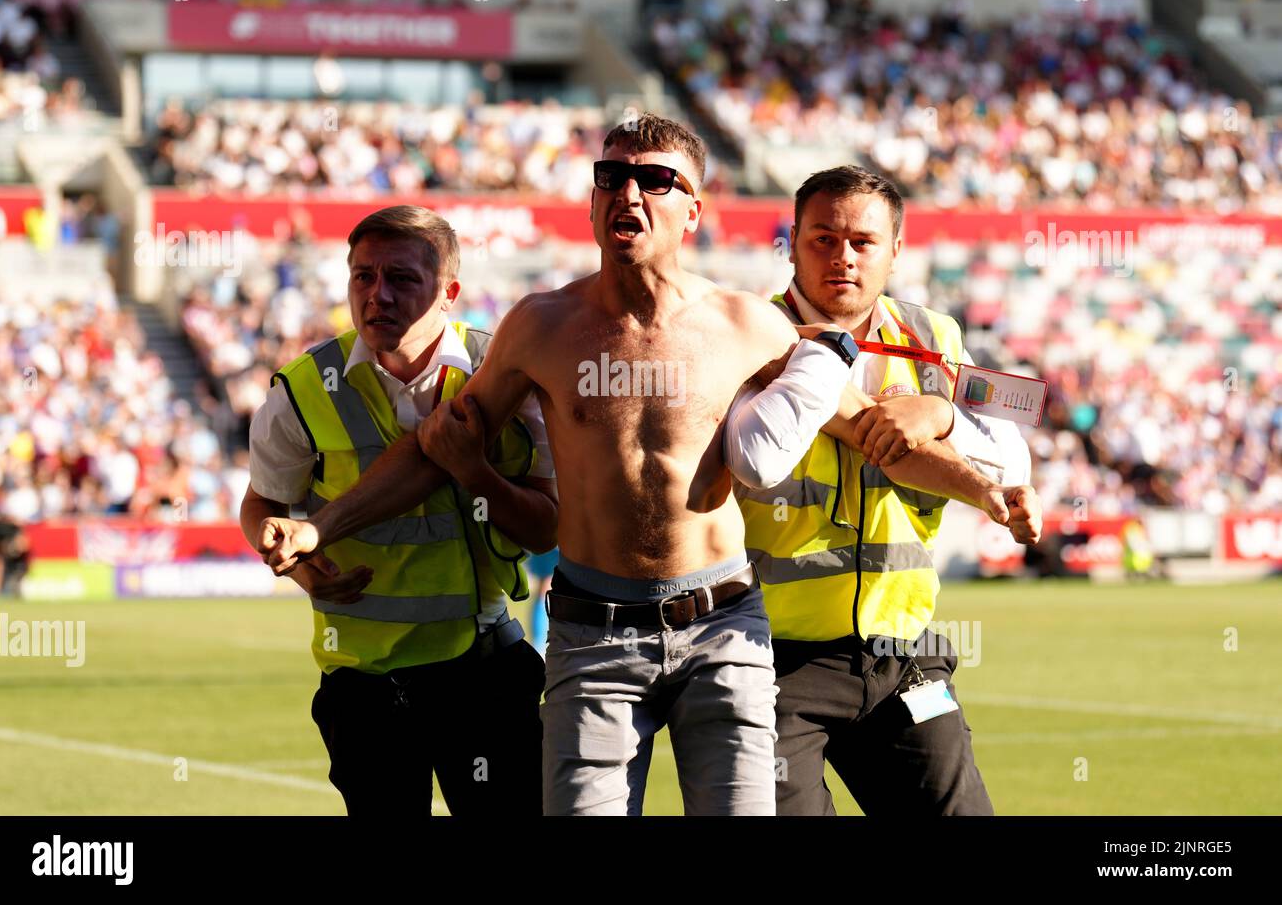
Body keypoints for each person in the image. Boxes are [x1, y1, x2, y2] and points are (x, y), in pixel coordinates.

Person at [257, 115, 1034, 816]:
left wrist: (987, 488)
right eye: (611, 177)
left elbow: (872, 432)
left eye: (655, 180)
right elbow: (433, 450)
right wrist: (319, 528)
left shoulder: (745, 324)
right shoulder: (539, 325)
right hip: (594, 634)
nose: (628, 191)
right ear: (593, 203)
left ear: (693, 210)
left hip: (726, 626)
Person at [733, 165, 1043, 815]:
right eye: (823, 238)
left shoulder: (935, 338)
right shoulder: (746, 335)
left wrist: (947, 414)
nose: (842, 256)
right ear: (790, 242)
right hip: (771, 663)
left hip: (903, 659)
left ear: (896, 250)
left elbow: (1020, 419)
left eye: (863, 241)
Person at [238, 205, 557, 817]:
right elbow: (262, 505)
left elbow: (545, 525)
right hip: (361, 684)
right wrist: (289, 556)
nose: (377, 295)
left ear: (449, 293)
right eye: (362, 276)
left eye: (402, 279)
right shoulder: (303, 390)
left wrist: (476, 472)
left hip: (481, 672)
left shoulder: (506, 375)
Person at [0, 512, 30, 599]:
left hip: (15, 560)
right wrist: (3, 548)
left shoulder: (16, 529)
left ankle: (13, 593)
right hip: (1, 556)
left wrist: (14, 549)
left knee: (14, 580)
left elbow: (24, 545)